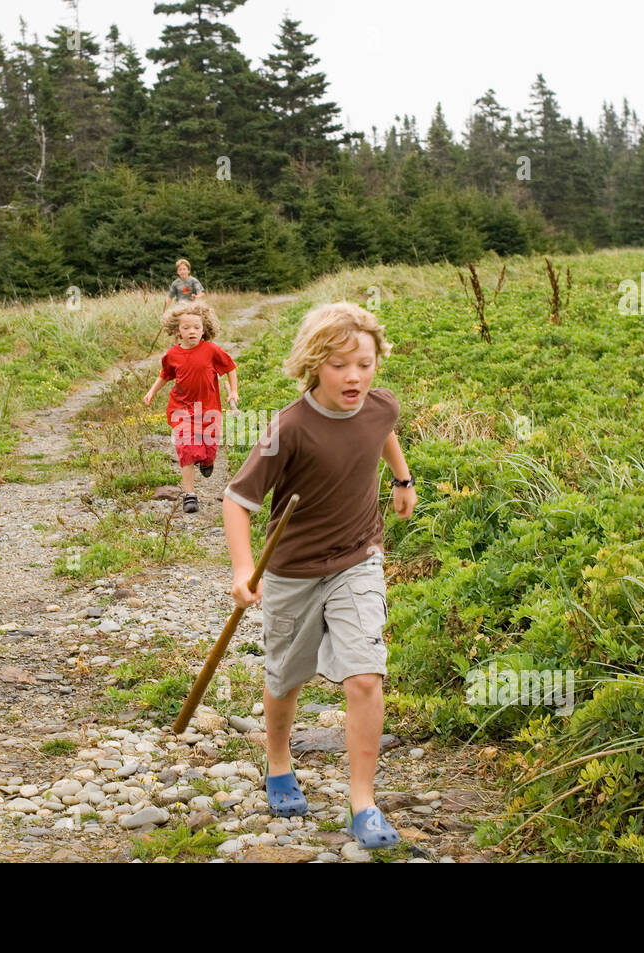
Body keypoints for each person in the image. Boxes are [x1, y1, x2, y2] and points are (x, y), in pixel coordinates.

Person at [221, 301, 417, 849]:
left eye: (364, 363)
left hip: (358, 559)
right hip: (291, 572)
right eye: (338, 365)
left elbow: (383, 431)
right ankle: (278, 760)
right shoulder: (289, 427)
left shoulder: (381, 406)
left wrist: (402, 480)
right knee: (286, 676)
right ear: (314, 364)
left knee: (364, 675)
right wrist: (243, 569)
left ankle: (363, 802)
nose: (354, 377)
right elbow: (236, 501)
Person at [143, 301, 239, 513]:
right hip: (181, 408)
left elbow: (230, 367)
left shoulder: (212, 350)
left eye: (196, 327)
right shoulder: (172, 355)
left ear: (204, 329)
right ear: (178, 331)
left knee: (208, 450)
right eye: (186, 328)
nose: (191, 331)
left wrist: (233, 391)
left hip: (209, 409)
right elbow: (165, 375)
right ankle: (190, 495)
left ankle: (207, 461)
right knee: (187, 449)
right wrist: (151, 391)